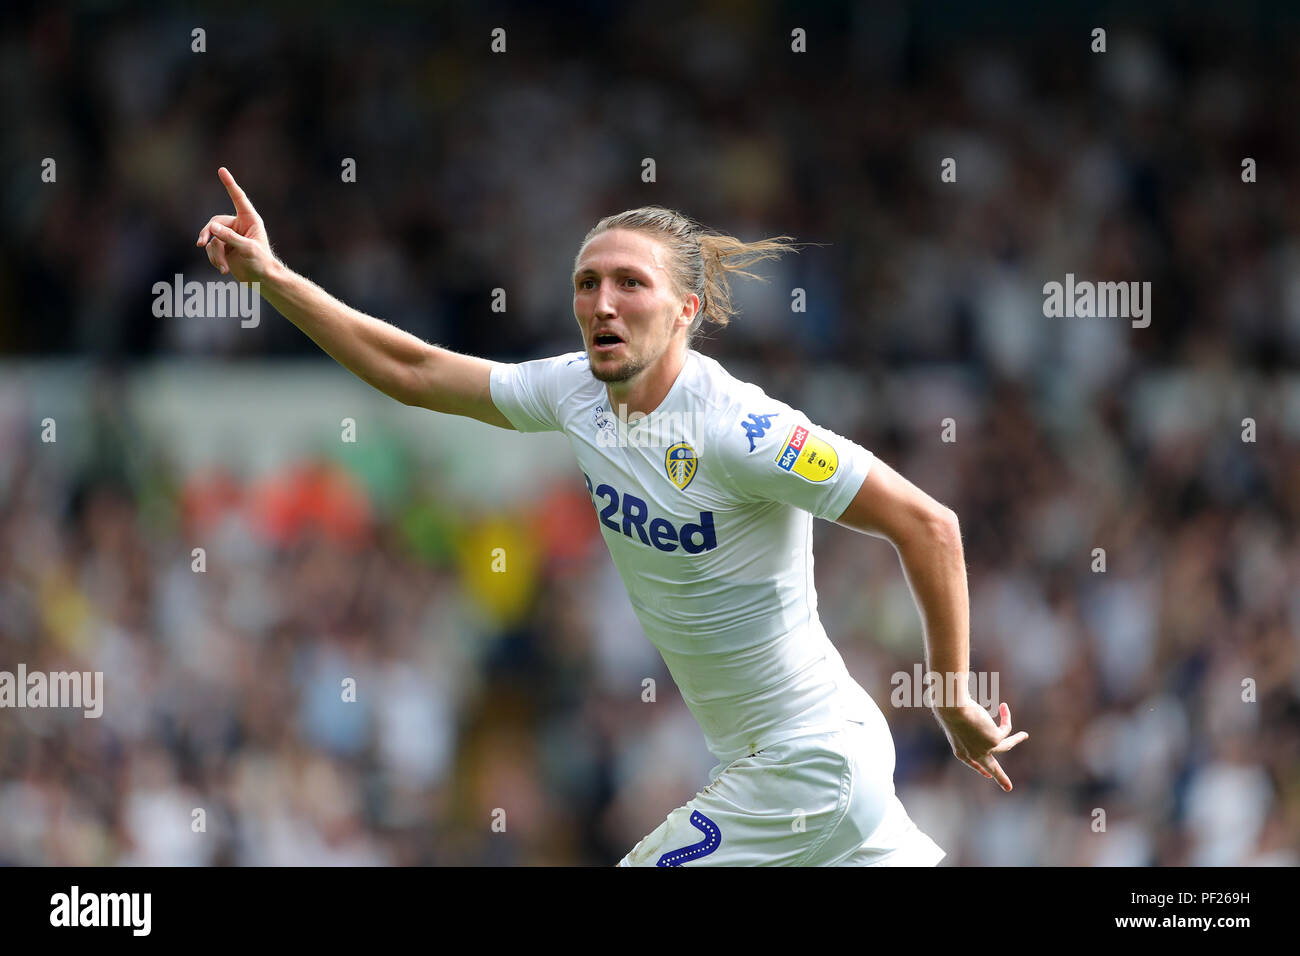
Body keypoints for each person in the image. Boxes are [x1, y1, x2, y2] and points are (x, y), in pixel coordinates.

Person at [197, 167, 1028, 866]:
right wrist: (274, 278)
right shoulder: (573, 393)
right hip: (802, 766)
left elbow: (930, 524)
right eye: (587, 284)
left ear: (685, 312)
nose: (603, 302)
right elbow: (413, 371)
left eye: (631, 283)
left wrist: (952, 693)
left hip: (809, 760)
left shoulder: (744, 431)